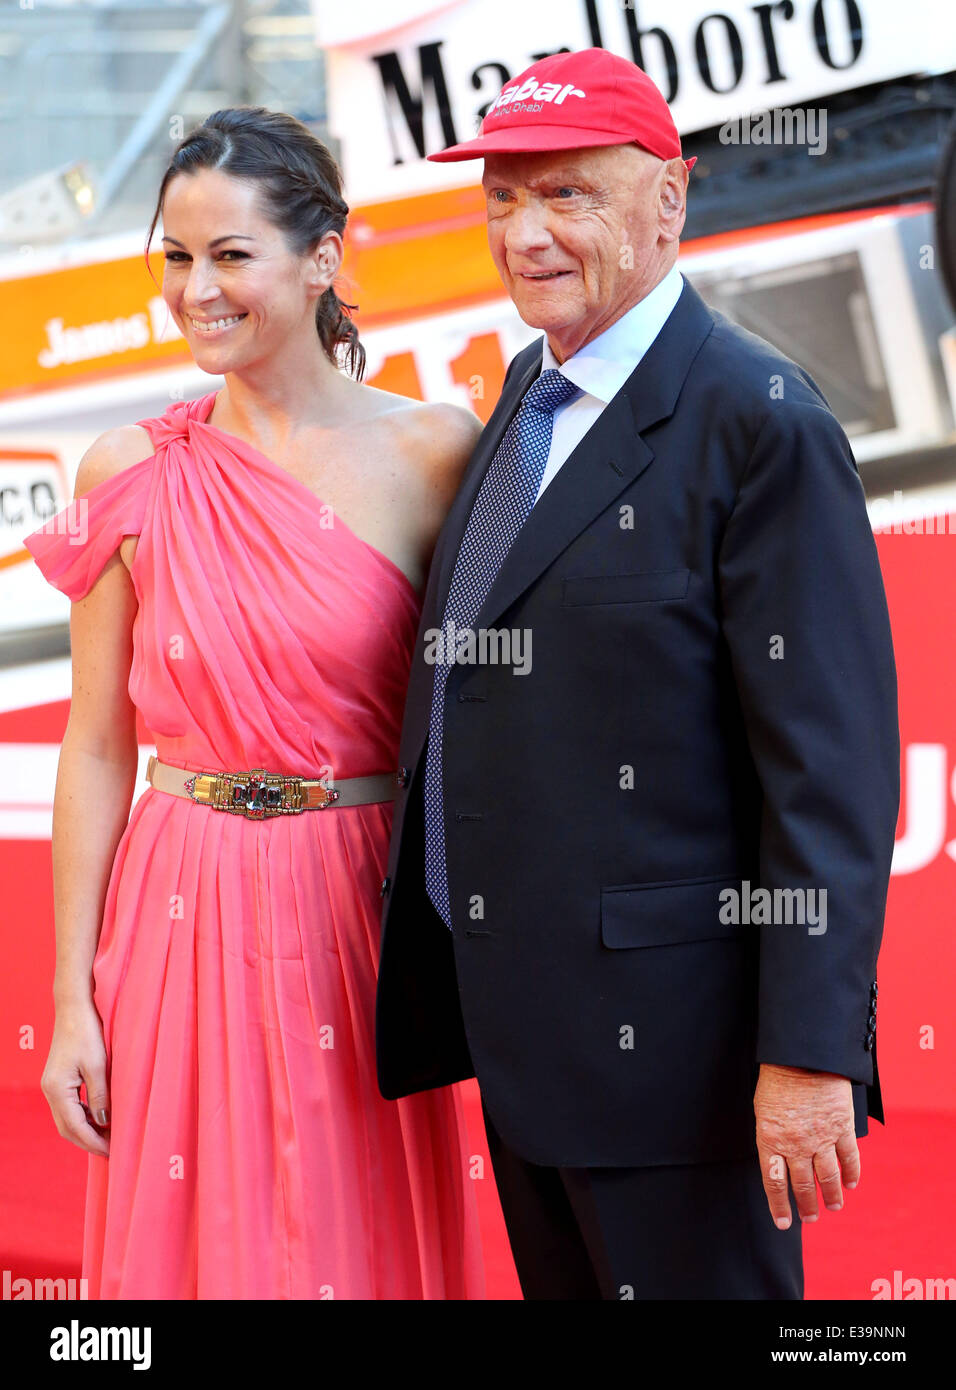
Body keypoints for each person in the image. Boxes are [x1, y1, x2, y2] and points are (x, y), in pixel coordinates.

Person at [375, 49, 900, 1300]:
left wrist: (811, 1057)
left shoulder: (758, 420)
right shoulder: (525, 392)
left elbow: (828, 776)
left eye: (567, 195)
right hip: (526, 1049)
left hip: (679, 1071)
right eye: (503, 199)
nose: (524, 234)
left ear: (670, 197)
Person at [24, 106, 486, 1300]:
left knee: (349, 1232)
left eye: (232, 254)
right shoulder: (125, 471)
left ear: (323, 255)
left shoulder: (437, 452)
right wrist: (70, 996)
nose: (196, 290)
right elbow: (92, 746)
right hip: (179, 906)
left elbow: (490, 728)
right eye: (177, 258)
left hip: (358, 906)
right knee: (196, 1250)